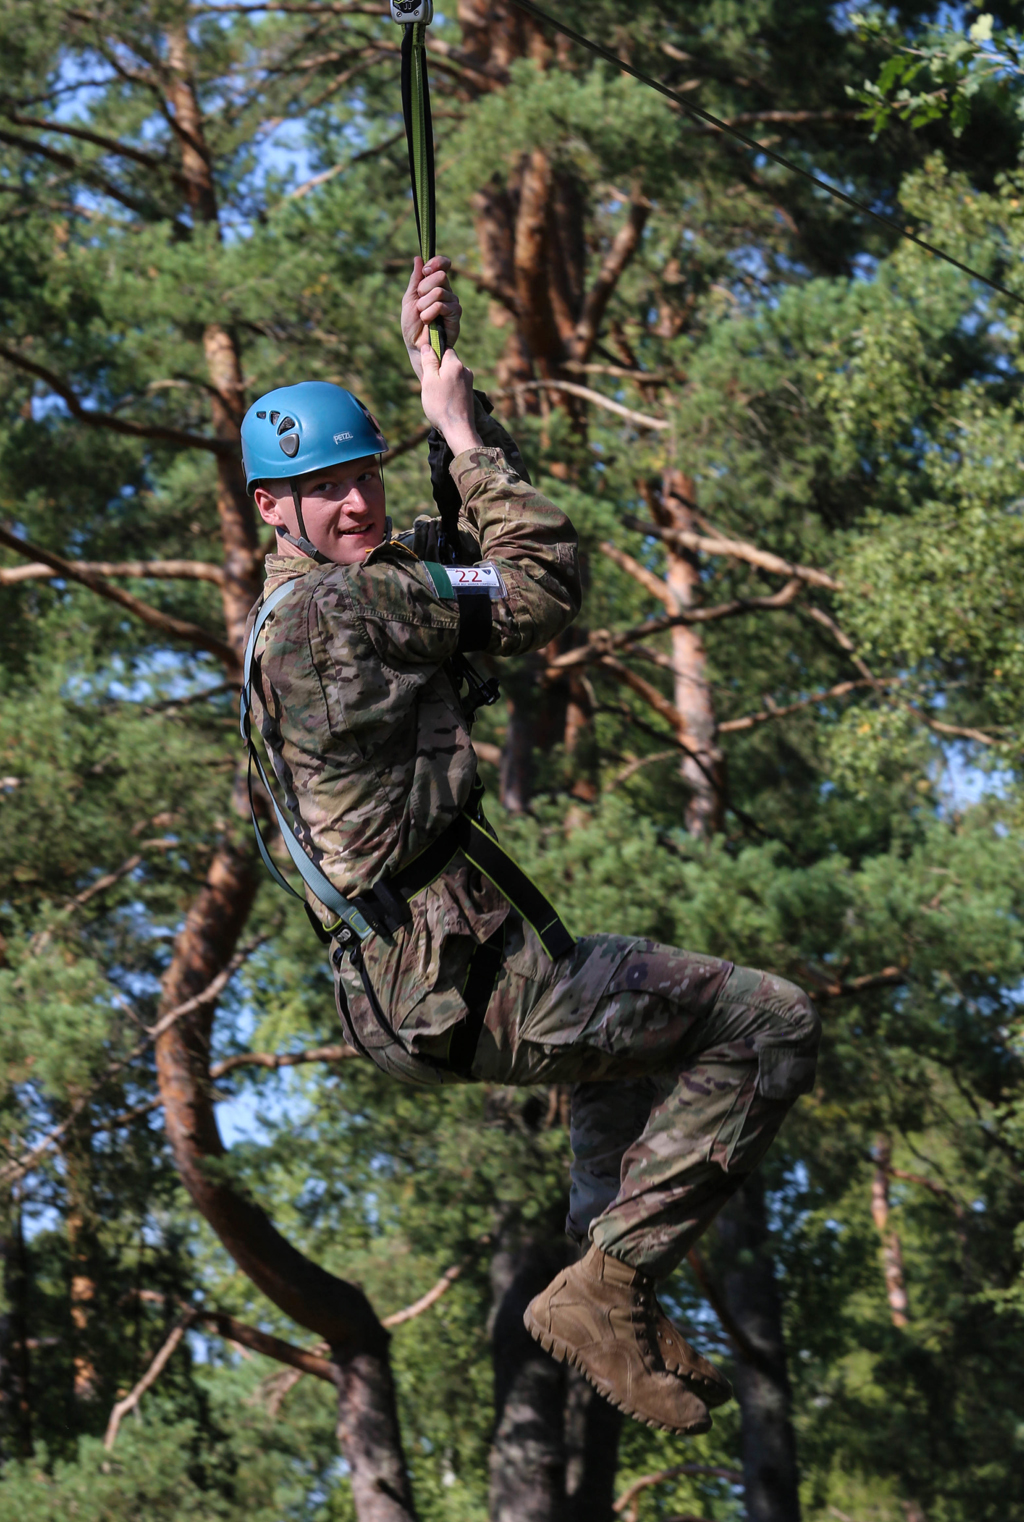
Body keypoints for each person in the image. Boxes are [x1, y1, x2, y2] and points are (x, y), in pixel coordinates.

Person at [240, 255, 821, 1437]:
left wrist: (446, 393)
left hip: (420, 988)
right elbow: (540, 581)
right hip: (460, 982)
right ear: (271, 508)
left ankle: (617, 1287)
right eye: (324, 487)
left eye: (364, 473)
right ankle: (604, 1285)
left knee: (631, 1054)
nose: (355, 500)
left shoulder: (313, 609)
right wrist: (456, 435)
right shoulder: (342, 611)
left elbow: (460, 557)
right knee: (770, 1021)